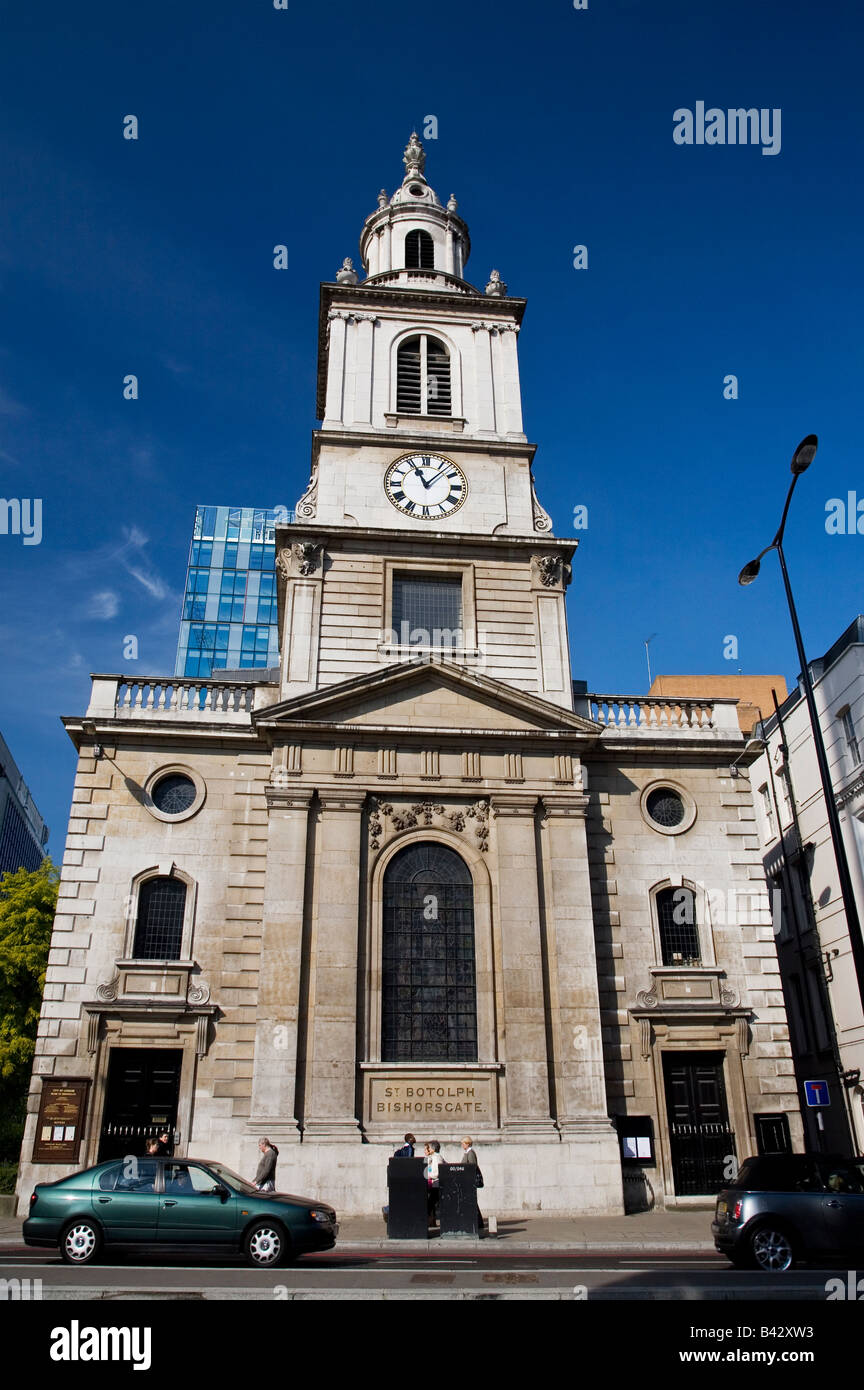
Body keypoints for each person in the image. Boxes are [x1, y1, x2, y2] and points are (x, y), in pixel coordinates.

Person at [461, 1135, 484, 1231]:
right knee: (473, 1202)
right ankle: (478, 1222)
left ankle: (479, 1222)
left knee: (473, 1202)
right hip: (468, 1180)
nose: (462, 1145)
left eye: (463, 1143)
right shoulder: (467, 1152)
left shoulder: (470, 1153)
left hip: (470, 1180)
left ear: (467, 1144)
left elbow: (472, 1167)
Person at [424, 1140, 442, 1228]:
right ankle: (430, 1221)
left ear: (433, 1149)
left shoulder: (437, 1157)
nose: (429, 1149)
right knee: (431, 1203)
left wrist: (429, 1176)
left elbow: (437, 1172)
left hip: (436, 1182)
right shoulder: (434, 1157)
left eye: (430, 1147)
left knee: (431, 1203)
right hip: (434, 1182)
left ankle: (428, 1221)